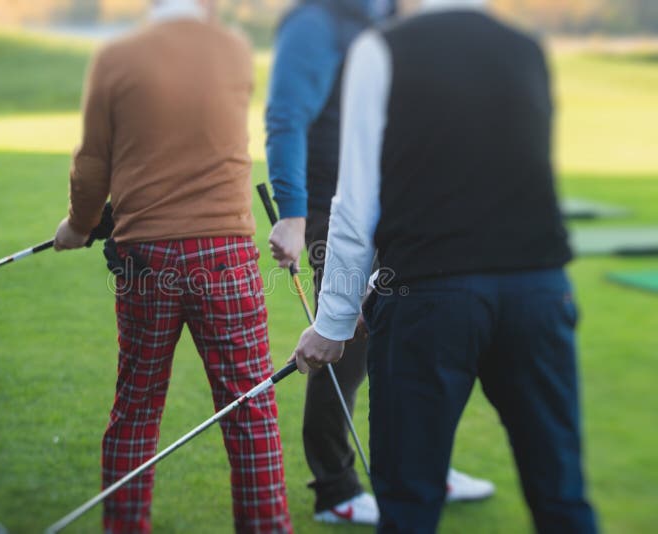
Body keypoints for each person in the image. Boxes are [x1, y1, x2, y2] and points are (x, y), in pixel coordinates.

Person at [291, 0, 600, 531]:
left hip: (433, 302)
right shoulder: (525, 47)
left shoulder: (379, 46)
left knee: (410, 501)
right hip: (540, 291)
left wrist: (333, 323)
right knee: (561, 495)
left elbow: (354, 205)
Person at [53, 0, 292, 531]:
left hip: (148, 256)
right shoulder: (234, 49)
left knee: (136, 407)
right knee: (249, 405)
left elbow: (94, 159)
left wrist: (79, 223)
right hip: (224, 253)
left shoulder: (117, 56)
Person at [264, 0, 493, 525]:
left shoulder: (391, 19)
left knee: (412, 331)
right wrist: (294, 214)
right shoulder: (315, 21)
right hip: (332, 206)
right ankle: (335, 487)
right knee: (344, 339)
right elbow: (286, 115)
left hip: (400, 203)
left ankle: (424, 464)